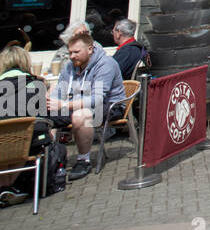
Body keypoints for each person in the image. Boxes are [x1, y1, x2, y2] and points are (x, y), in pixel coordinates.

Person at [46, 24, 126, 181]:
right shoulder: (70, 67)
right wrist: (50, 101)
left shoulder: (105, 64)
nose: (72, 56)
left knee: (80, 116)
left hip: (110, 106)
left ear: (90, 49)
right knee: (42, 117)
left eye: (76, 52)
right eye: (70, 52)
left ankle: (84, 160)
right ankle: (49, 160)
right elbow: (60, 93)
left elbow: (97, 99)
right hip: (76, 104)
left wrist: (62, 105)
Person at [0, 44, 53, 206]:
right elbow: (43, 117)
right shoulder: (35, 85)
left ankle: (4, 187)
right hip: (22, 144)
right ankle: (9, 186)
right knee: (32, 136)